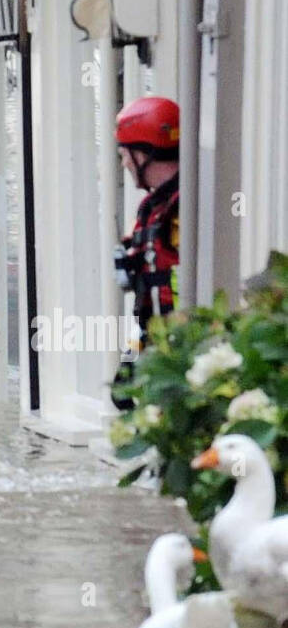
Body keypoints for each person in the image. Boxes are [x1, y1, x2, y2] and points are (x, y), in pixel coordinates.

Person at [111, 95, 180, 409]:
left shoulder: (182, 205)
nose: (124, 163)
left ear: (145, 153)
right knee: (124, 398)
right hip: (149, 330)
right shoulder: (150, 207)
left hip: (178, 337)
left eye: (126, 154)